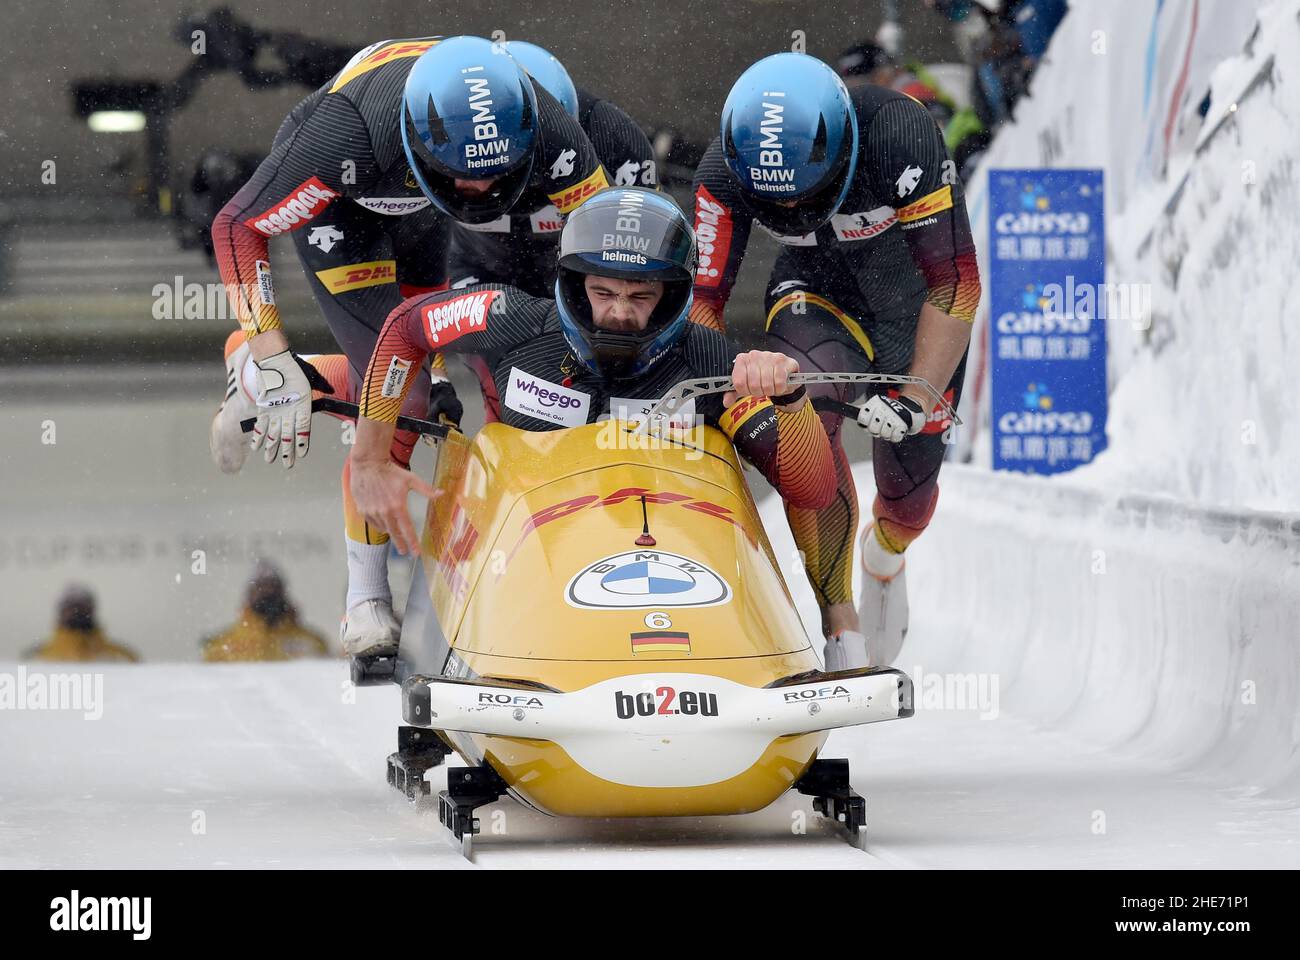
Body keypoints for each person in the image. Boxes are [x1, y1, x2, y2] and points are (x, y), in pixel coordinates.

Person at [209, 35, 610, 657]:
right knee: (408, 390)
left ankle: (306, 374)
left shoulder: (547, 123)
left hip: (423, 213)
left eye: (494, 175)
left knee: (430, 382)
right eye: (464, 176)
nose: (479, 191)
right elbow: (236, 226)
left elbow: (608, 243)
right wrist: (268, 346)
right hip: (344, 214)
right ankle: (365, 598)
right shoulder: (338, 137)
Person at [342, 187, 837, 654]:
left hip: (674, 557)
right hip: (532, 562)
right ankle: (367, 596)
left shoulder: (712, 363)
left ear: (671, 295)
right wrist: (368, 454)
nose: (618, 314)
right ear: (576, 285)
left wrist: (792, 402)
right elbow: (405, 329)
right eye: (602, 292)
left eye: (640, 298)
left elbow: (811, 490)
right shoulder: (515, 319)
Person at [691, 52, 981, 669]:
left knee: (908, 502)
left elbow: (956, 285)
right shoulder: (721, 167)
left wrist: (920, 396)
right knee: (804, 415)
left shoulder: (900, 134)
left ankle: (886, 554)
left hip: (915, 308)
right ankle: (838, 624)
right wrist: (715, 396)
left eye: (808, 194)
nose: (795, 211)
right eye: (779, 204)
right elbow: (702, 303)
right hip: (815, 294)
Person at [446, 39, 658, 422]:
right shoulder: (453, 139)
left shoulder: (616, 139)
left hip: (575, 275)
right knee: (504, 376)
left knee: (612, 351)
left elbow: (649, 261)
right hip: (483, 270)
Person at [201, 561, 331, 662]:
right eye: (261, 588)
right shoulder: (221, 645)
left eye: (273, 587)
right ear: (249, 595)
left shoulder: (311, 642)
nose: (268, 593)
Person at [23, 584, 140, 663]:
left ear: (93, 610)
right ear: (60, 613)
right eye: (70, 608)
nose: (76, 613)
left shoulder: (122, 657)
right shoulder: (35, 658)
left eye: (82, 608)